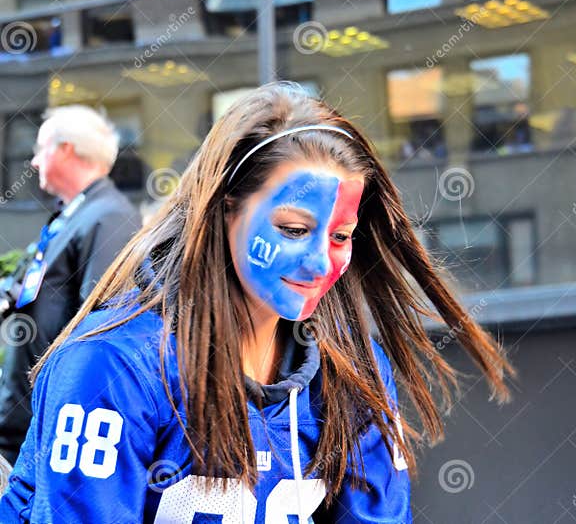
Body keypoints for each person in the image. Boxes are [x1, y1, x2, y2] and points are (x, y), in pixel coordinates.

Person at [0, 82, 515, 523]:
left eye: (340, 237)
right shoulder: (112, 368)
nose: (319, 263)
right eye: (293, 229)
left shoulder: (356, 375)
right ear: (226, 210)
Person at [0, 105, 141, 464]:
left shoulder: (109, 215)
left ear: (65, 149)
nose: (32, 162)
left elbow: (102, 324)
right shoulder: (73, 214)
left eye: (40, 148)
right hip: (25, 426)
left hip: (45, 433)